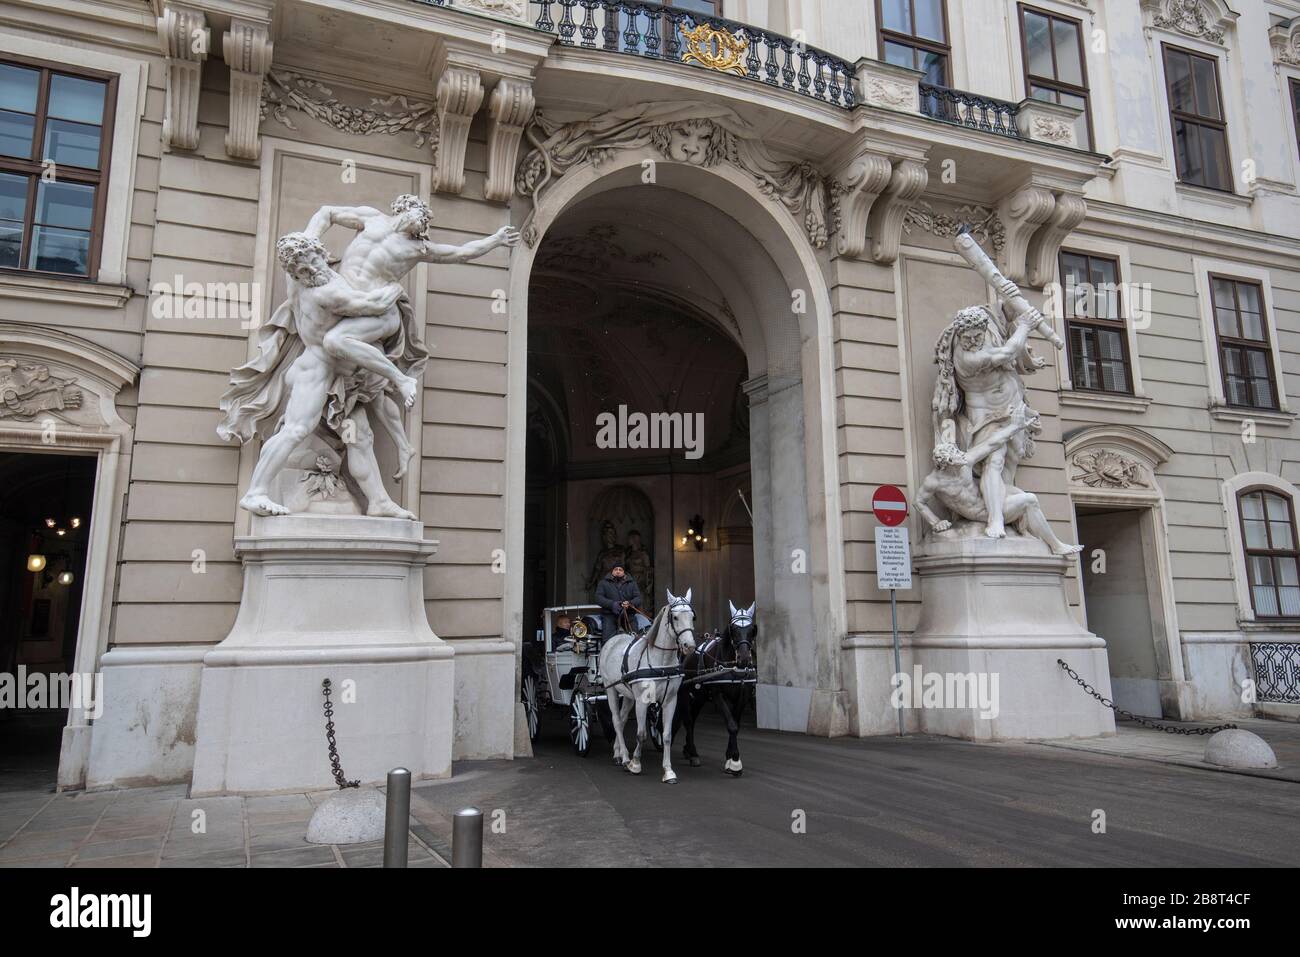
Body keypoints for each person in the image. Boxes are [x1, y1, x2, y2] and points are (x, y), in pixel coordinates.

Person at [915, 404, 1083, 558]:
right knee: (1029, 499)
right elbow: (918, 502)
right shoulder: (934, 481)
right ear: (944, 464)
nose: (962, 463)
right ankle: (1056, 545)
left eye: (960, 459)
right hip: (981, 513)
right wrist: (936, 522)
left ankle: (1054, 544)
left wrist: (1015, 426)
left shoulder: (964, 462)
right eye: (956, 462)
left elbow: (992, 443)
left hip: (992, 503)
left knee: (1021, 494)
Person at [595, 564, 646, 638]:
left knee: (635, 637)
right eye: (616, 569)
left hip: (628, 615)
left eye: (620, 570)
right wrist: (612, 604)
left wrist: (630, 603)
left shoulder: (632, 583)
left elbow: (638, 598)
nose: (618, 571)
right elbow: (598, 598)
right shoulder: (603, 583)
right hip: (610, 615)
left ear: (624, 572)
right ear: (612, 571)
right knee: (607, 639)